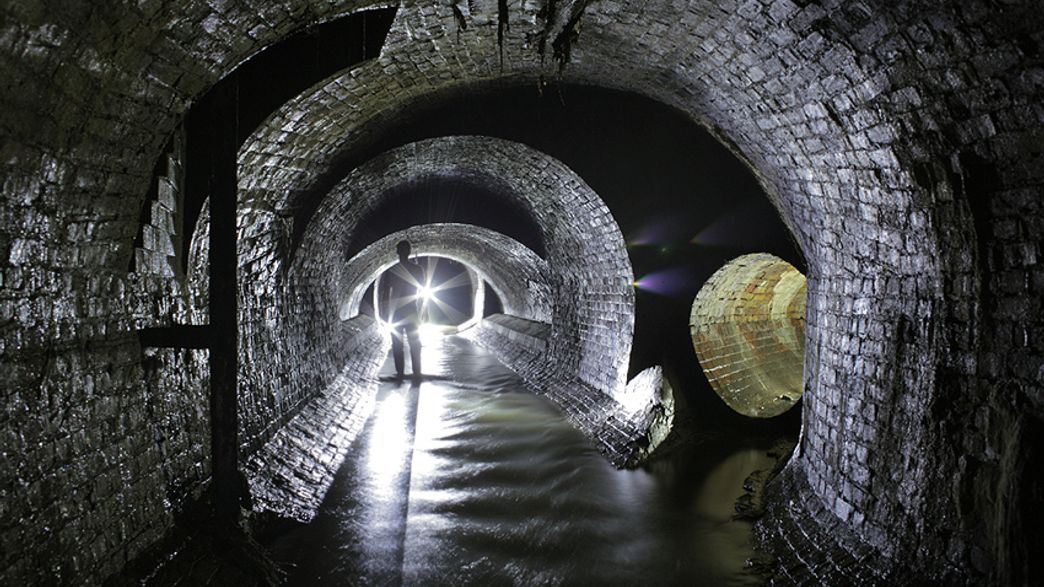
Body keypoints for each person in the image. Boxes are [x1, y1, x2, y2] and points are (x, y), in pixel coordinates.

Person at [378, 240, 426, 381]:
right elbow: (422, 290)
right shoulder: (417, 269)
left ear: (397, 252)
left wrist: (384, 313)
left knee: (398, 345)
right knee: (414, 344)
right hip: (411, 311)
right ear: (409, 252)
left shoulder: (392, 270)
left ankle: (400, 374)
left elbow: (386, 293)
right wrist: (423, 310)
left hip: (397, 311)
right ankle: (417, 373)